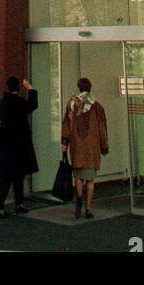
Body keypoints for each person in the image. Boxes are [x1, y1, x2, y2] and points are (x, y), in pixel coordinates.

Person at [61, 76, 108, 219]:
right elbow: (102, 128)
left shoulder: (72, 104)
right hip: (92, 147)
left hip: (77, 146)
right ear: (90, 88)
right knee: (90, 180)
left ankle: (79, 198)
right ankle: (88, 208)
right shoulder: (97, 106)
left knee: (79, 177)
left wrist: (64, 142)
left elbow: (66, 125)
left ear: (79, 88)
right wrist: (104, 146)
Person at [0, 76, 38, 216]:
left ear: (7, 87)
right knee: (18, 174)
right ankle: (19, 203)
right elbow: (33, 104)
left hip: (6, 144)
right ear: (17, 88)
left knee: (7, 177)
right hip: (20, 144)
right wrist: (30, 88)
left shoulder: (1, 103)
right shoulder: (20, 103)